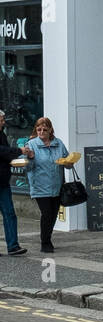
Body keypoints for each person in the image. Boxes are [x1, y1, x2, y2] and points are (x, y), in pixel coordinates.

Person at [21, 116, 68, 254]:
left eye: (44, 129)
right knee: (46, 214)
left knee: (53, 215)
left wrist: (68, 163)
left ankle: (48, 237)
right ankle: (45, 242)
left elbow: (67, 161)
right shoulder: (31, 144)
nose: (41, 132)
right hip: (40, 186)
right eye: (38, 129)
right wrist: (29, 157)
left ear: (50, 130)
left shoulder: (58, 143)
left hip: (57, 185)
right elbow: (27, 168)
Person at [0, 110, 27, 256]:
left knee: (9, 213)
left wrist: (13, 160)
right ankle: (13, 245)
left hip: (3, 181)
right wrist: (18, 150)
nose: (4, 122)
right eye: (1, 120)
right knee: (9, 213)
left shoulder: (2, 134)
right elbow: (2, 151)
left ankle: (13, 246)